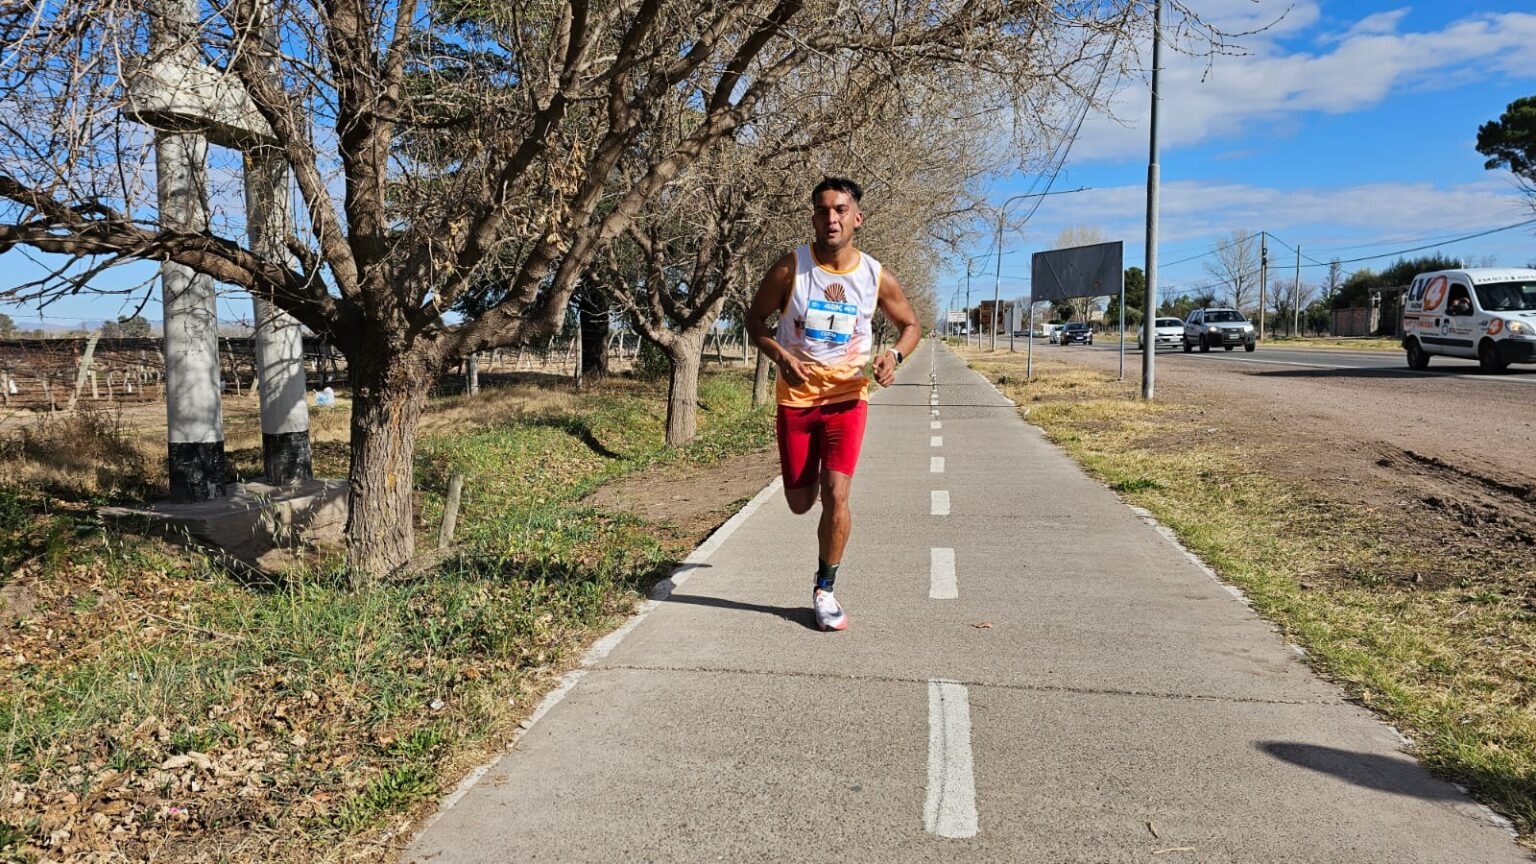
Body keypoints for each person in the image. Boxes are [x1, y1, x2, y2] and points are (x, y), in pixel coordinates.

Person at [746, 177, 922, 631]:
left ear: (857, 218)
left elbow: (910, 325)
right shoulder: (792, 268)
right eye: (823, 210)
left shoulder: (874, 276)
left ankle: (825, 590)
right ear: (813, 218)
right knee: (800, 502)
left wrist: (893, 356)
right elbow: (755, 320)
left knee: (837, 492)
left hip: (847, 399)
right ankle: (808, 505)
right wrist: (781, 356)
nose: (832, 218)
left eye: (841, 210)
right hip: (797, 401)